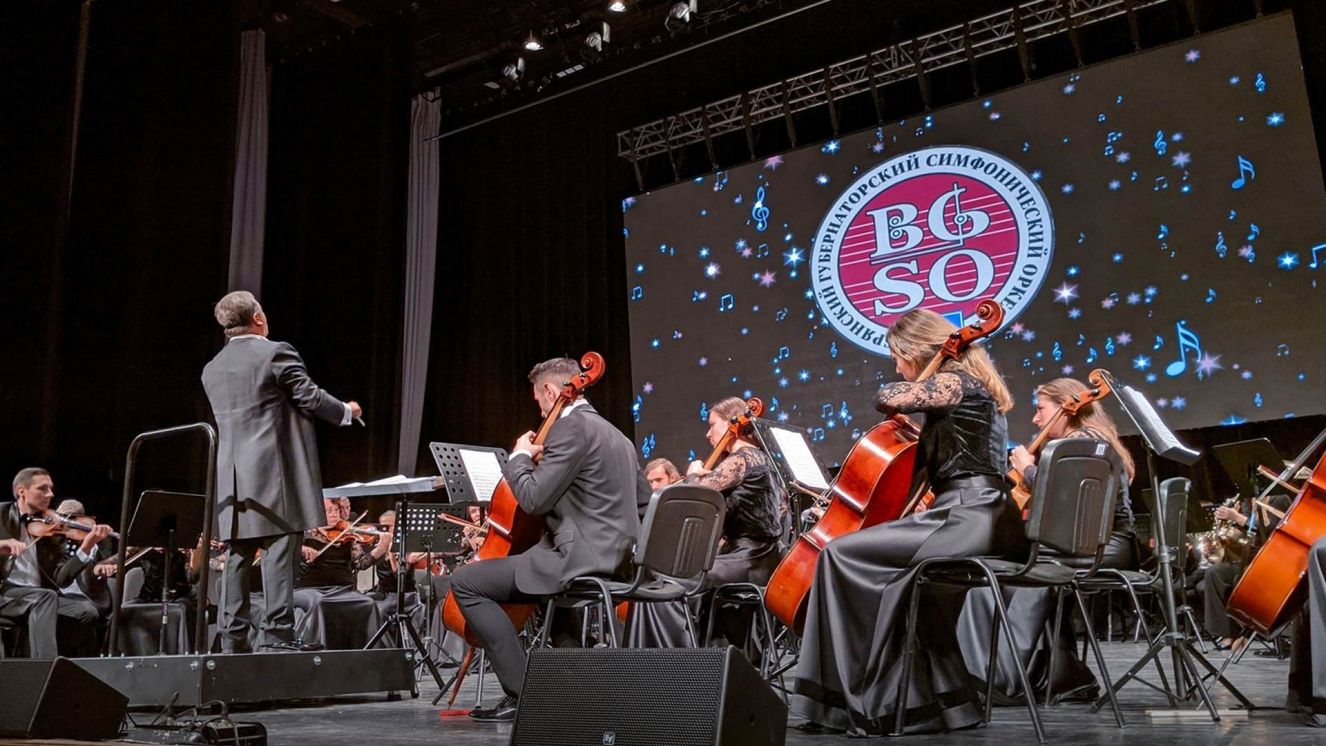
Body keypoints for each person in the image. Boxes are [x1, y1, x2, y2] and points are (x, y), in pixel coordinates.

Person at [791, 309, 1025, 735]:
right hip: (983, 513)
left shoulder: (955, 381)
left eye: (898, 355)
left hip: (966, 515)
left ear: (916, 350)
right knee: (896, 574)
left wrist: (913, 385)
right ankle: (936, 704)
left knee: (839, 555)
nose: (897, 365)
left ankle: (846, 702)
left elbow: (889, 396)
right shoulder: (973, 389)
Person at [449, 357, 646, 722]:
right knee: (542, 589)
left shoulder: (570, 429)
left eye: (540, 402)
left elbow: (535, 498)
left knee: (466, 582)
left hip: (579, 560)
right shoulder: (618, 436)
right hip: (620, 561)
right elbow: (643, 503)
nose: (542, 413)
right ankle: (569, 689)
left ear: (552, 391)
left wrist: (520, 457)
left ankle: (523, 693)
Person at [959, 377, 1139, 703]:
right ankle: (1056, 676)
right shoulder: (1096, 441)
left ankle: (999, 679)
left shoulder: (1081, 444)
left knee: (989, 574)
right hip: (1099, 546)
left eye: (1041, 409)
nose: (1035, 419)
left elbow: (1063, 497)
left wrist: (1028, 470)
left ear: (1066, 409)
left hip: (1095, 549)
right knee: (1015, 565)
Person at [202, 290, 362, 653]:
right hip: (272, 474)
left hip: (231, 477)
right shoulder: (274, 351)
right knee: (278, 554)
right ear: (258, 318)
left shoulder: (211, 368)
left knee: (238, 558)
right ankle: (277, 638)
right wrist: (347, 411)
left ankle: (232, 640)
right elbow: (308, 396)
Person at [0, 468, 113, 657]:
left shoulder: (51, 527)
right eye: (42, 489)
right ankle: (47, 669)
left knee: (87, 611)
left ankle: (79, 673)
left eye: (51, 489)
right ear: (22, 491)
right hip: (5, 594)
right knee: (46, 598)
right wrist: (2, 544)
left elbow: (61, 579)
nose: (50, 494)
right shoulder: (1, 514)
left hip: (37, 596)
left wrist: (85, 547)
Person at [292, 498, 381, 649]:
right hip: (309, 589)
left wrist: (380, 550)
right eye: (329, 511)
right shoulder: (303, 535)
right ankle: (319, 650)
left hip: (342, 589)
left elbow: (360, 563)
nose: (335, 515)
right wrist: (300, 549)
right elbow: (282, 552)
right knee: (320, 603)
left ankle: (369, 652)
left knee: (368, 603)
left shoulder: (347, 535)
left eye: (337, 510)